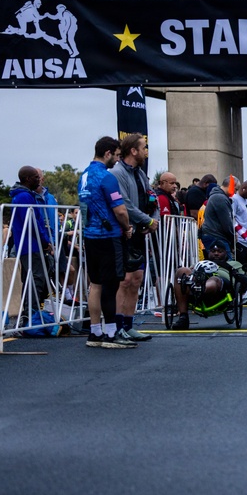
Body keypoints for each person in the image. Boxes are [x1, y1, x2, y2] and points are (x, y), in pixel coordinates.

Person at [78, 137, 136, 348]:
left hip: (89, 235)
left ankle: (95, 333)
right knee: (111, 285)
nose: (117, 160)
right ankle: (111, 334)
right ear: (108, 153)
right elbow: (120, 210)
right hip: (108, 235)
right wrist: (127, 228)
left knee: (95, 284)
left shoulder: (83, 175)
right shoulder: (107, 177)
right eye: (117, 156)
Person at [109, 133, 158, 342]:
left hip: (139, 232)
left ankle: (129, 325)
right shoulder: (117, 173)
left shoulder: (141, 173)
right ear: (133, 151)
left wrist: (151, 221)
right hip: (124, 231)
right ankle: (117, 326)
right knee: (124, 280)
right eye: (144, 147)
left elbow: (152, 198)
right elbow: (125, 204)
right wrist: (147, 220)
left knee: (136, 279)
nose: (146, 152)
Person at [167, 242, 247, 330]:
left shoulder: (234, 264)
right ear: (209, 253)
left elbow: (244, 280)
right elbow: (188, 272)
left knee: (214, 279)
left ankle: (200, 287)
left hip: (221, 284)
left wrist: (238, 280)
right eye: (213, 251)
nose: (216, 253)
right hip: (199, 276)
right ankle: (183, 317)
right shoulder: (200, 263)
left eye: (219, 251)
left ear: (225, 252)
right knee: (181, 271)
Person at [8, 165, 54, 311]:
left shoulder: (23, 195)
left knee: (31, 278)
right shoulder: (24, 197)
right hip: (31, 245)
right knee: (36, 278)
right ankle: (31, 313)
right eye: (35, 177)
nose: (39, 180)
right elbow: (33, 222)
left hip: (28, 245)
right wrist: (44, 240)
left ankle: (29, 312)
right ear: (27, 179)